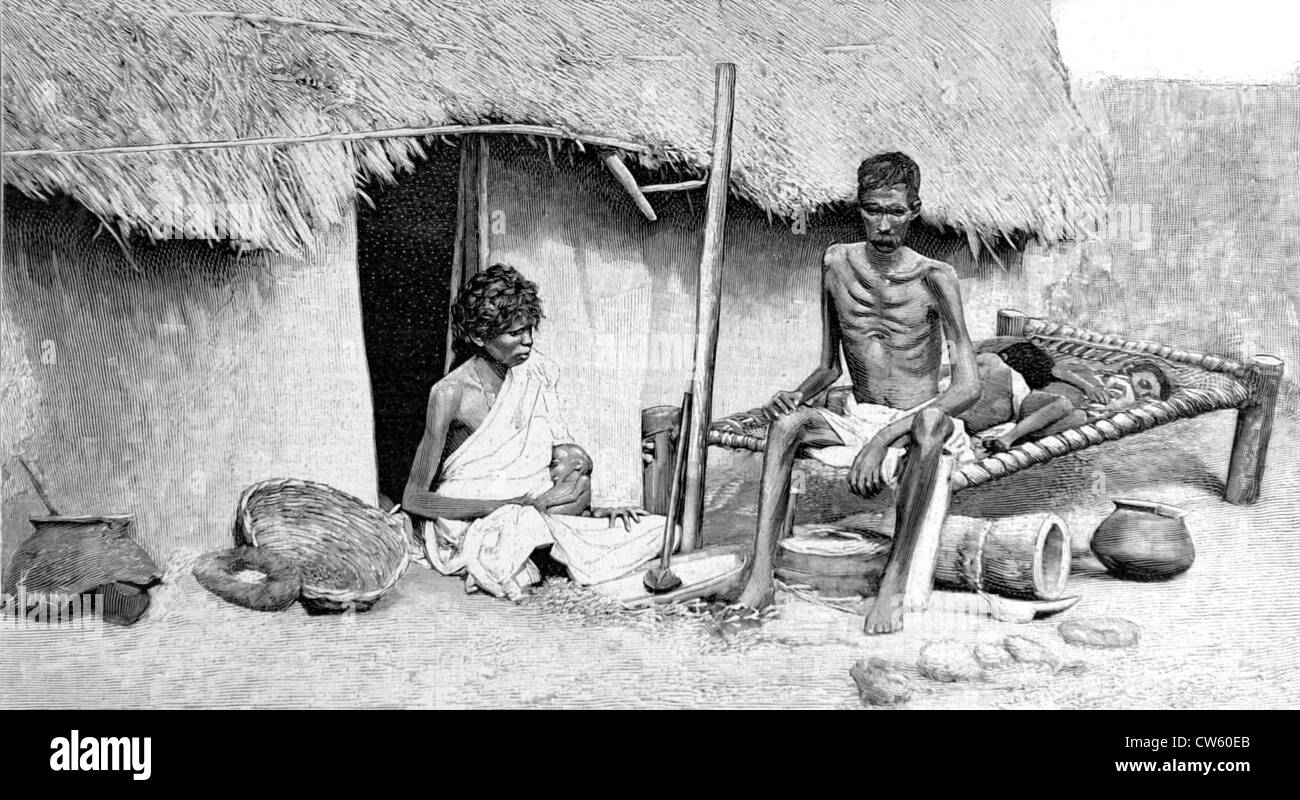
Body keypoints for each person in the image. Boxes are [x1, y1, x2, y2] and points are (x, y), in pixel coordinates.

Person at [733, 152, 981, 634]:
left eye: (895, 210)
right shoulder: (836, 263)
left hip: (919, 421)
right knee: (787, 425)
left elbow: (968, 386)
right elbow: (828, 368)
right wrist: (796, 393)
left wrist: (884, 438)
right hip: (860, 413)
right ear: (859, 207)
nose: (884, 223)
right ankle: (759, 578)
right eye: (873, 209)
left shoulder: (935, 278)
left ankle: (892, 587)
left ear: (914, 209)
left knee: (931, 424)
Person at [401, 264, 663, 600]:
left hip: (531, 507)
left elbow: (553, 462)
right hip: (473, 518)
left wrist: (597, 507)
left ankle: (549, 547)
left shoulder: (535, 375)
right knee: (522, 527)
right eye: (514, 334)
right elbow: (415, 498)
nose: (527, 341)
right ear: (481, 336)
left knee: (661, 530)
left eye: (529, 330)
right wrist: (506, 504)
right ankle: (535, 554)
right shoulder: (450, 393)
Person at [957, 339, 1176, 452]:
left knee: (1078, 417)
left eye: (1147, 394)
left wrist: (1105, 411)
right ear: (1128, 370)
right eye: (1144, 383)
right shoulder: (1088, 372)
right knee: (1063, 403)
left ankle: (1018, 436)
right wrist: (1089, 387)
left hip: (1039, 418)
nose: (1140, 392)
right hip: (1032, 401)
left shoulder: (1106, 405)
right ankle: (1008, 439)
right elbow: (1058, 370)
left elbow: (1095, 411)